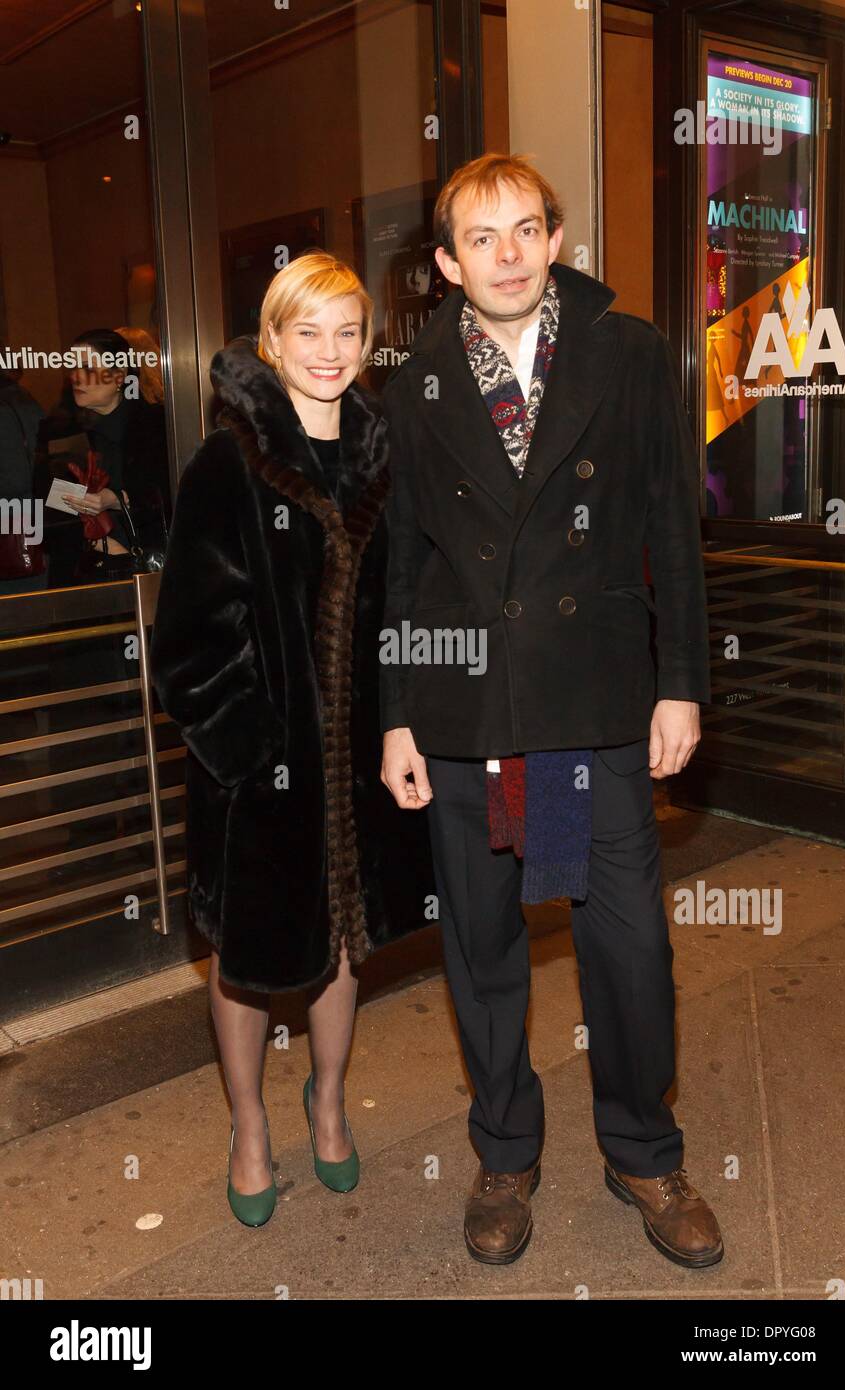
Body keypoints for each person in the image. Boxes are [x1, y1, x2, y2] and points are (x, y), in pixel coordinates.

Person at [379, 154, 722, 1269]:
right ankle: (504, 1149)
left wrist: (680, 679)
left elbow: (671, 522)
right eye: (480, 238)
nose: (508, 253)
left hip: (582, 709)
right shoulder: (417, 378)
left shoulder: (623, 355)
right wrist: (395, 715)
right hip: (471, 705)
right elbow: (402, 565)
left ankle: (641, 1148)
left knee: (622, 942)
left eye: (525, 229)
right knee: (482, 947)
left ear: (556, 237)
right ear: (445, 264)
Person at [149, 252, 434, 1228]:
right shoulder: (224, 464)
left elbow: (400, 612)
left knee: (339, 946)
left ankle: (325, 1101)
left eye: (345, 331)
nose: (327, 351)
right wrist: (251, 757)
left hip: (352, 765)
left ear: (366, 342)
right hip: (253, 775)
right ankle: (247, 1126)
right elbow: (186, 647)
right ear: (271, 342)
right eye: (305, 331)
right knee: (247, 956)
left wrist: (399, 726)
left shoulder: (378, 461)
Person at [34, 328, 170, 587]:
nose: (76, 377)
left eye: (87, 367)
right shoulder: (62, 430)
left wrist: (118, 501)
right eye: (72, 367)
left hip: (143, 570)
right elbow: (45, 497)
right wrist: (87, 513)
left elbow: (170, 493)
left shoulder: (154, 426)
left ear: (119, 376)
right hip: (80, 572)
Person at [0, 368, 46, 594]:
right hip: (29, 521)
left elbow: (16, 478)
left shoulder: (5, 406)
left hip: (14, 532)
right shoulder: (19, 397)